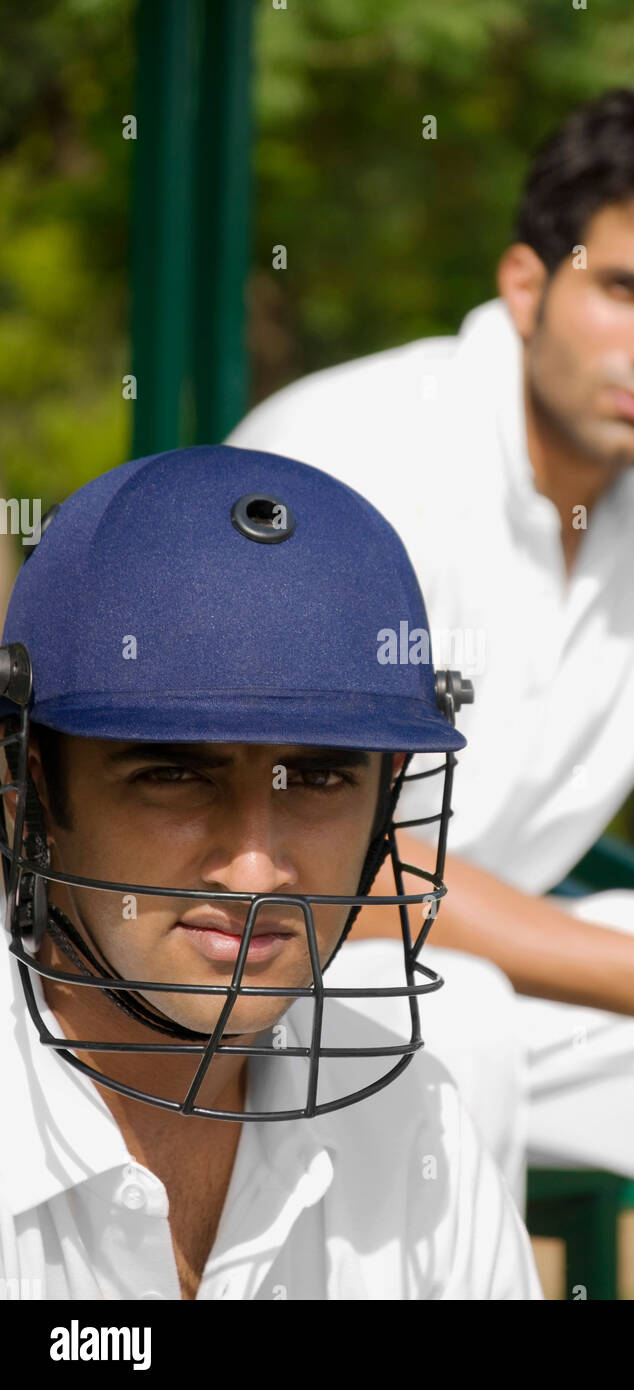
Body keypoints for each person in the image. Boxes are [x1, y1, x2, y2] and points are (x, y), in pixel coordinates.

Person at [225, 82, 634, 1231]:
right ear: (526, 284)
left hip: (520, 973)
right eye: (627, 290)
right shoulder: (344, 454)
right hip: (267, 968)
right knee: (447, 1009)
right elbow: (313, 858)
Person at [0, 442, 543, 1301]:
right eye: (173, 775)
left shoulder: (412, 1123)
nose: (254, 871)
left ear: (385, 801)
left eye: (320, 779)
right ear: (27, 793)